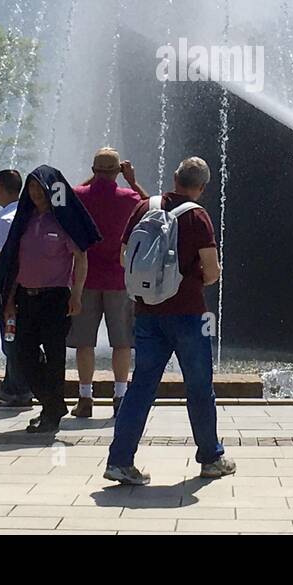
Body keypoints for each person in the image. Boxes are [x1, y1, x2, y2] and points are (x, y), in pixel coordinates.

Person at [105, 157, 235, 484]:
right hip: (189, 314)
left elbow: (124, 256)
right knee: (199, 386)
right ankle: (210, 457)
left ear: (175, 177)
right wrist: (191, 280)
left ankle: (120, 460)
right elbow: (212, 270)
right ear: (202, 187)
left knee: (142, 386)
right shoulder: (198, 216)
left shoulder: (144, 208)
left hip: (147, 314)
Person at [0, 165, 99, 434]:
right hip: (26, 297)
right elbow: (14, 263)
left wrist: (77, 293)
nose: (36, 193)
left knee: (55, 355)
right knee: (22, 354)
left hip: (55, 298)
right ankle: (53, 401)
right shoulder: (24, 221)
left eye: (40, 188)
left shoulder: (62, 221)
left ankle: (51, 414)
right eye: (32, 188)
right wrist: (9, 300)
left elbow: (81, 258)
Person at [69, 148, 148, 418]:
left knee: (84, 342)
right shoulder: (129, 198)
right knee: (122, 343)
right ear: (118, 172)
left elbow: (66, 196)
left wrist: (93, 180)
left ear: (93, 171)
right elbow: (154, 208)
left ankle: (85, 397)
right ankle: (120, 396)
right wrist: (132, 180)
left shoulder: (80, 197)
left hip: (85, 280)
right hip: (119, 280)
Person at [0, 169, 34, 408]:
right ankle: (11, 386)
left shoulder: (4, 219)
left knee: (9, 338)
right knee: (18, 336)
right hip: (29, 286)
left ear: (2, 188)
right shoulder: (28, 214)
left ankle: (18, 390)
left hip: (7, 289)